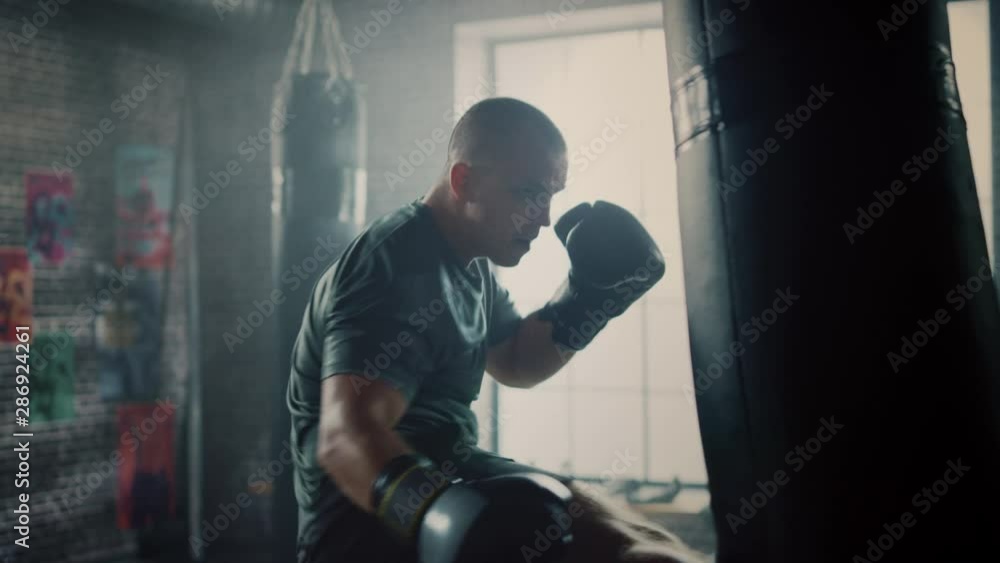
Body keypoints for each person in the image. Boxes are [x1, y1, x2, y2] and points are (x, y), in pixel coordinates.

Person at [286, 97, 707, 563]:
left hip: (454, 479)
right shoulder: (394, 264)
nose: (545, 218)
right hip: (365, 530)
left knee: (643, 542)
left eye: (551, 196)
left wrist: (590, 297)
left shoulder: (469, 266)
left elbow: (517, 360)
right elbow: (345, 439)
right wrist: (444, 518)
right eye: (528, 193)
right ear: (463, 181)